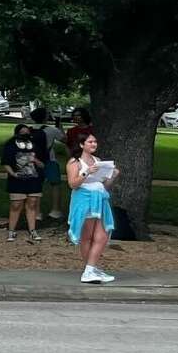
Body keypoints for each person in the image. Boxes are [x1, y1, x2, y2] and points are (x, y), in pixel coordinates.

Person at [66, 130, 118, 283]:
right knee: (86, 236)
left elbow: (104, 185)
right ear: (82, 145)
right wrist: (86, 172)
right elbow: (73, 184)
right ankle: (89, 270)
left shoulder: (98, 160)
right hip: (84, 200)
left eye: (95, 142)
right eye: (90, 142)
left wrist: (112, 176)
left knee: (101, 236)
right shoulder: (74, 162)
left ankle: (91, 269)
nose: (93, 144)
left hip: (100, 199)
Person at [2, 122, 45, 244]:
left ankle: (32, 230)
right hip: (17, 179)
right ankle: (11, 230)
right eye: (22, 132)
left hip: (33, 179)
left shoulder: (36, 146)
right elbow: (6, 162)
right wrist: (13, 174)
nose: (25, 134)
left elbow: (42, 164)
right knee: (16, 205)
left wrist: (35, 160)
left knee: (32, 203)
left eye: (27, 132)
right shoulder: (10, 145)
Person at [33, 109, 67, 226]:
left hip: (33, 161)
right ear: (45, 118)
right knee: (55, 184)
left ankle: (36, 212)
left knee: (36, 187)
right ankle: (55, 211)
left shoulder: (29, 129)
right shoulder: (52, 130)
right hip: (50, 160)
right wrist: (60, 126)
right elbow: (65, 140)